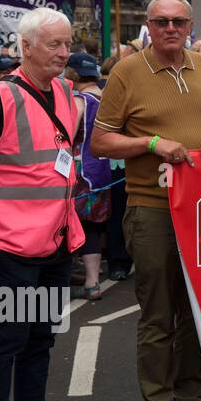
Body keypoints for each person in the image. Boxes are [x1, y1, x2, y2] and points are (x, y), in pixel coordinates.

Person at [92, 0, 201, 401]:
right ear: (148, 26)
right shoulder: (127, 72)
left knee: (196, 310)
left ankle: (190, 400)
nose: (171, 28)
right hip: (152, 206)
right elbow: (100, 141)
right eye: (161, 21)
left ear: (190, 26)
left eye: (178, 21)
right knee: (157, 314)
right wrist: (152, 142)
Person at [0, 8, 88, 401]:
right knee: (5, 342)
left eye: (67, 43)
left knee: (40, 339)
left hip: (56, 241)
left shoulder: (63, 91)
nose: (64, 53)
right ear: (27, 47)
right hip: (13, 247)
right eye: (55, 45)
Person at [67, 52, 113, 302]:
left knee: (73, 223)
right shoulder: (104, 97)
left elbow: (67, 133)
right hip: (101, 168)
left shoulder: (80, 99)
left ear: (73, 73)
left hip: (79, 169)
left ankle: (74, 279)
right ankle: (93, 283)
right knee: (93, 225)